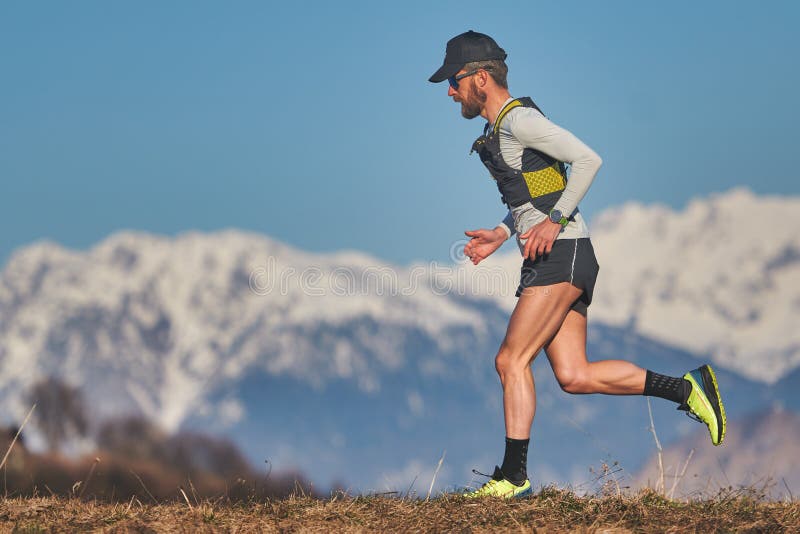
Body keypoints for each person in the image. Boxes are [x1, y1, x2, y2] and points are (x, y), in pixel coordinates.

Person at [428, 31, 726, 499]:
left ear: (480, 78)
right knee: (574, 375)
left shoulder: (519, 121)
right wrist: (502, 234)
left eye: (454, 81)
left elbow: (588, 160)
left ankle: (513, 478)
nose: (449, 91)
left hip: (562, 255)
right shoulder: (503, 129)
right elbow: (537, 193)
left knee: (511, 359)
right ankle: (688, 390)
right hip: (561, 254)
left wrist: (556, 219)